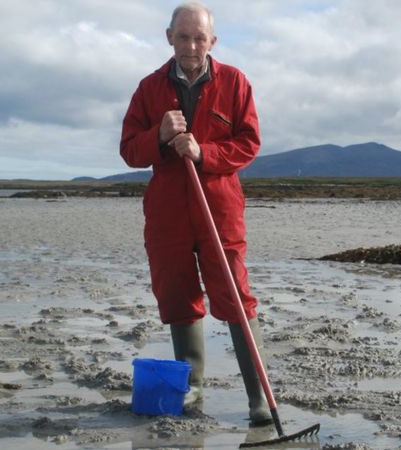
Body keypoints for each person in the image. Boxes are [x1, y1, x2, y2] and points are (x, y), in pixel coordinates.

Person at [120, 2, 269, 425]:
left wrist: (205, 152)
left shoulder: (235, 82)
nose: (190, 46)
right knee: (177, 297)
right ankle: (193, 391)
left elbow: (249, 143)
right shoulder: (149, 88)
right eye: (183, 37)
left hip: (218, 211)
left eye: (199, 38)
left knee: (236, 297)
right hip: (168, 213)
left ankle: (258, 399)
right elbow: (129, 149)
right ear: (169, 37)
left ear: (213, 41)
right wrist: (160, 137)